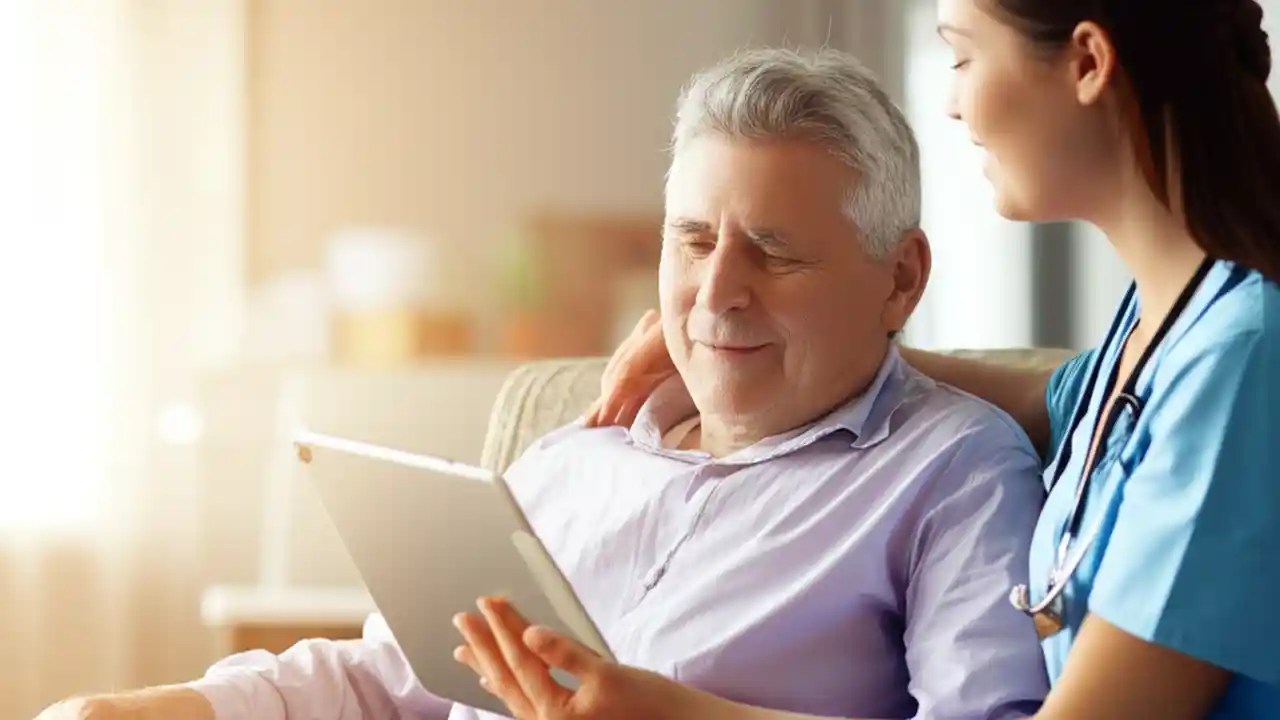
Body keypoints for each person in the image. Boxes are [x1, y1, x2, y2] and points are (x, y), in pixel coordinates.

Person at [37, 47, 1051, 720]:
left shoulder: (953, 470)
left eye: (775, 254)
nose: (715, 296)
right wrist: (148, 709)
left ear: (900, 278)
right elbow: (389, 681)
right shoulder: (577, 455)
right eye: (693, 241)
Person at [454, 0, 1280, 718]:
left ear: (1089, 63)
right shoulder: (1160, 332)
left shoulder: (1241, 361)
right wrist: (723, 339)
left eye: (962, 55)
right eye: (696, 243)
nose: (950, 101)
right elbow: (1056, 392)